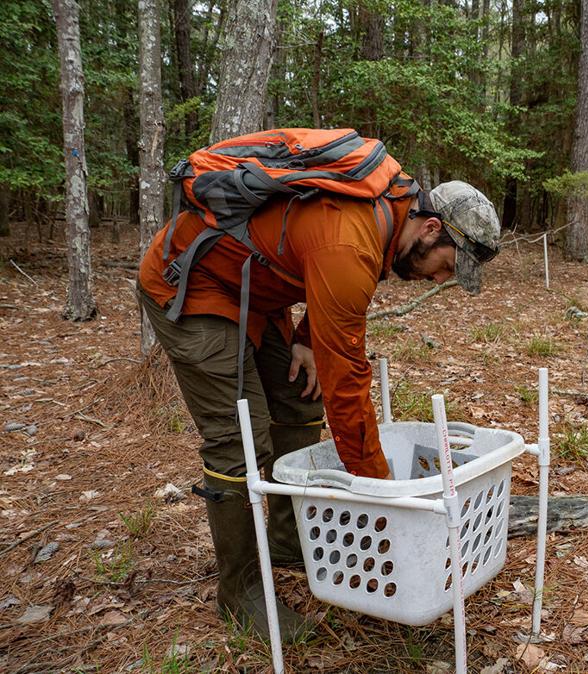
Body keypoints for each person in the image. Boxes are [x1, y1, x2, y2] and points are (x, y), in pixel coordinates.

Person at [137, 167, 501, 639]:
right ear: (431, 229)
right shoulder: (354, 242)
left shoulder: (386, 213)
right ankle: (241, 591)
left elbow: (322, 273)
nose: (442, 278)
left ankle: (290, 542)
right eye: (449, 266)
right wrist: (386, 503)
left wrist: (307, 336)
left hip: (258, 291)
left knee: (299, 398)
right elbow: (347, 388)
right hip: (194, 285)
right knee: (239, 436)